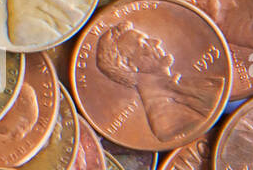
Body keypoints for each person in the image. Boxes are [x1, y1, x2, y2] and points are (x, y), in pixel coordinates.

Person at [94, 20, 226, 144]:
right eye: (143, 42)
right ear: (129, 65)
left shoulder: (186, 86)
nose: (156, 42)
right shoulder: (167, 123)